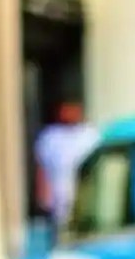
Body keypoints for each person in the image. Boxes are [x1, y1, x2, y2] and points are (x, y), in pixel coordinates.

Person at [34, 101, 99, 242]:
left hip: (86, 200)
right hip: (59, 200)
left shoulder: (90, 135)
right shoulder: (50, 138)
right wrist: (43, 198)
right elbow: (42, 168)